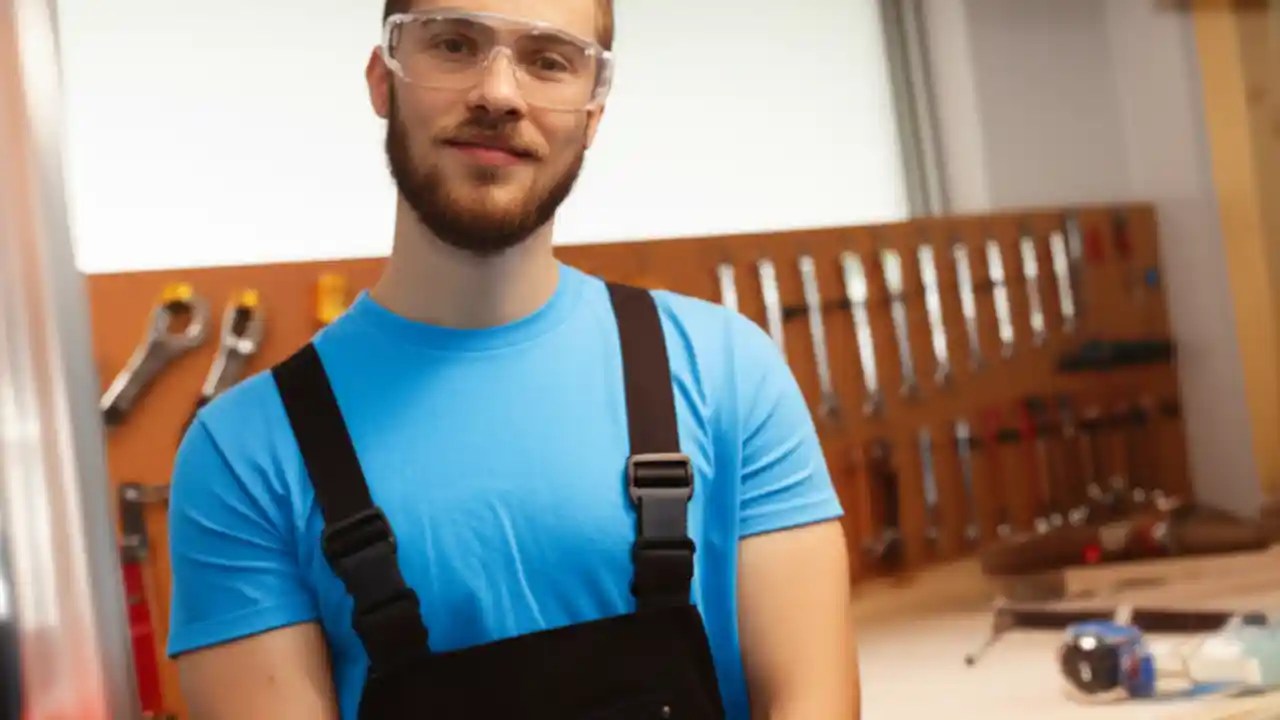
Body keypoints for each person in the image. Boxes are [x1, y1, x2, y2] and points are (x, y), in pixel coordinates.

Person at [166, 0, 860, 717]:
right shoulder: (242, 455)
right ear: (383, 80)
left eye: (549, 60)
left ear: (592, 114)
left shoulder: (727, 373)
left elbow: (814, 702)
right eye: (455, 44)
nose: (498, 93)